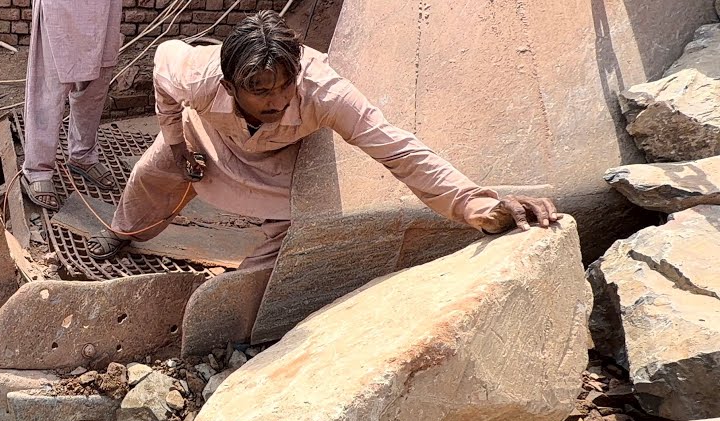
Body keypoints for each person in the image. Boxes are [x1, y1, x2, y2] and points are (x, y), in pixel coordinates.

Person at [88, 10, 558, 265]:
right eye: (259, 91)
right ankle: (122, 233)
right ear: (231, 86)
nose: (274, 101)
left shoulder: (326, 94)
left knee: (292, 218)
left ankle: (259, 284)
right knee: (151, 174)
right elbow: (163, 63)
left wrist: (478, 206)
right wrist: (175, 142)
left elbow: (398, 149)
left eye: (284, 86)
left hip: (286, 152)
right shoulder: (200, 76)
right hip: (207, 133)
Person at [20, 0, 123, 211]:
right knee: (49, 86)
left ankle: (82, 155)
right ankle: (37, 169)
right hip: (61, 7)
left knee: (96, 83)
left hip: (105, 8)